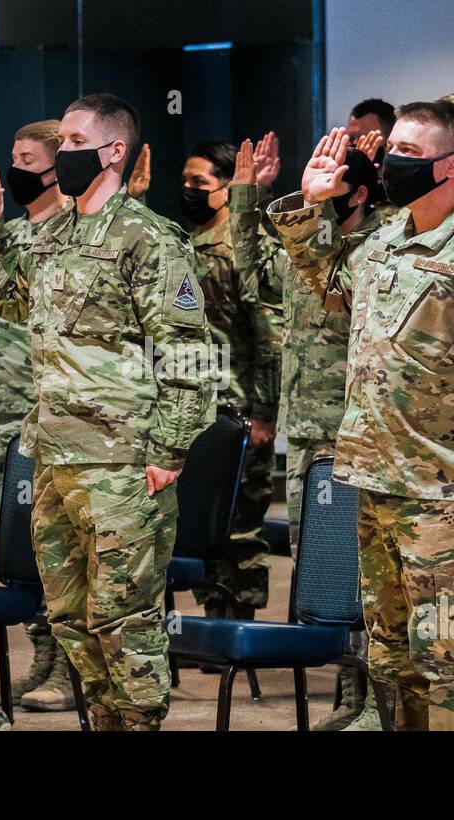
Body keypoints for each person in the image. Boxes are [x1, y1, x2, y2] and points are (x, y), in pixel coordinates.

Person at [270, 104, 454, 730]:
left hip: (451, 494)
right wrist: (309, 206)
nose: (390, 162)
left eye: (408, 153)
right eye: (391, 149)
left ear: (452, 165)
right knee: (394, 659)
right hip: (378, 481)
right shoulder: (384, 239)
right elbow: (331, 288)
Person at [0, 93, 213, 730]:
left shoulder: (147, 238)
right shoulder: (56, 233)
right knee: (71, 619)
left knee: (123, 619)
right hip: (56, 455)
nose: (63, 153)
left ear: (114, 151)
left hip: (121, 463)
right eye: (62, 142)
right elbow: (14, 304)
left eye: (76, 143)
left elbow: (188, 352)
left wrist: (169, 449)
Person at [231, 138, 386, 730]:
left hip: (357, 434)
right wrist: (248, 198)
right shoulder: (304, 251)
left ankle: (377, 698)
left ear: (360, 195)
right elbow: (252, 275)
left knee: (368, 570)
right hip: (306, 434)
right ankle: (348, 691)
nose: (315, 201)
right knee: (324, 570)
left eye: (329, 191)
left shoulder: (376, 250)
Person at [0, 120, 76, 713]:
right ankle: (41, 657)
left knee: (58, 546)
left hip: (53, 414)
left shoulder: (75, 233)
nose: (14, 170)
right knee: (15, 546)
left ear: (59, 168)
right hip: (6, 412)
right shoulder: (8, 232)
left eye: (27, 160)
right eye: (13, 157)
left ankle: (70, 668)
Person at [179, 140, 283, 620]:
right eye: (185, 180)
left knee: (240, 526)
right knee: (205, 521)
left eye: (199, 182)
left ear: (226, 187)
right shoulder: (188, 243)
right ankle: (213, 619)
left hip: (239, 410)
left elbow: (269, 336)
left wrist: (264, 413)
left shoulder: (241, 248)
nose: (188, 189)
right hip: (197, 408)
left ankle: (239, 625)